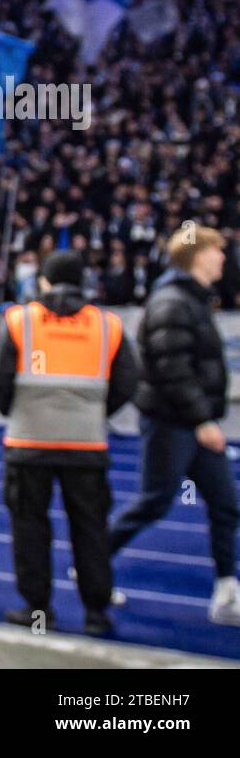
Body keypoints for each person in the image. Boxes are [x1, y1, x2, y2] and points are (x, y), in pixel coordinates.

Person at [0, 250, 139, 637]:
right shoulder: (107, 325)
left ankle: (38, 610)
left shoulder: (21, 321)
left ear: (44, 282)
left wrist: (19, 411)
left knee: (30, 526)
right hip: (86, 444)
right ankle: (96, 613)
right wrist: (92, 414)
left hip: (28, 440)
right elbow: (127, 381)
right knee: (90, 527)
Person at [107, 225, 240, 625]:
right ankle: (92, 565)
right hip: (172, 423)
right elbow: (172, 368)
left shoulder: (192, 300)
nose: (223, 258)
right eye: (217, 251)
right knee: (154, 501)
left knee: (226, 505)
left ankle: (226, 590)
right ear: (197, 255)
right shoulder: (173, 302)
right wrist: (201, 419)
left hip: (192, 422)